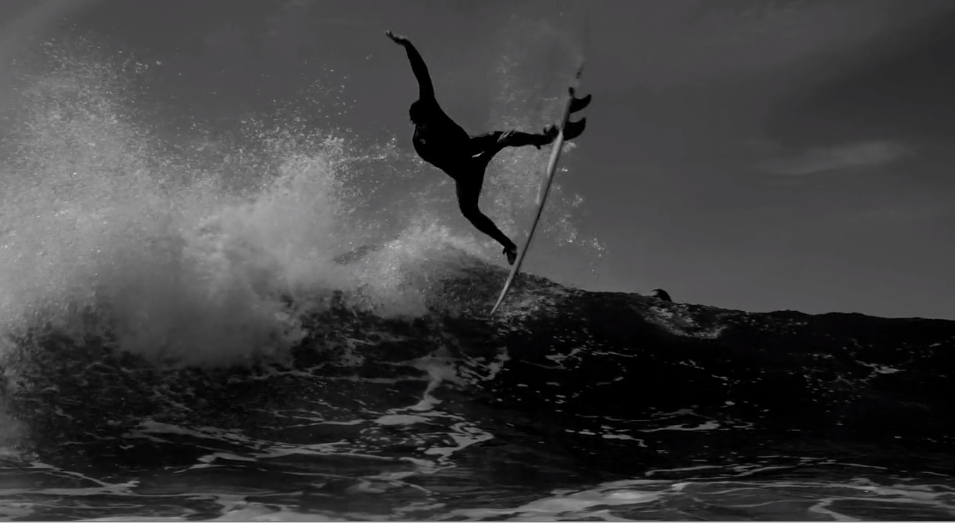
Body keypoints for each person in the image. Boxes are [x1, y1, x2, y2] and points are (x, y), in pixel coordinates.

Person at [385, 31, 587, 265]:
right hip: (464, 172)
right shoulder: (422, 145)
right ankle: (508, 245)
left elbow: (422, 74)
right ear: (419, 123)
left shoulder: (430, 106)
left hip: (468, 145)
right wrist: (497, 148)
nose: (435, 118)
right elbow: (470, 166)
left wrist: (407, 45)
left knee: (500, 135)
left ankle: (546, 138)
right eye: (429, 120)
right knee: (470, 212)